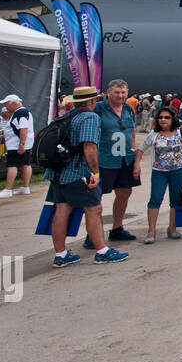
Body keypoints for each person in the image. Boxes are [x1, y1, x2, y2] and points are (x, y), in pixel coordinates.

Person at [45, 87, 129, 267]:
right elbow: (89, 147)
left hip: (57, 171)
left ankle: (60, 255)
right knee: (93, 209)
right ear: (92, 101)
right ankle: (102, 251)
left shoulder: (65, 116)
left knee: (62, 210)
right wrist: (95, 172)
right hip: (77, 172)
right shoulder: (89, 117)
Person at [85, 79, 140, 249]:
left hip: (124, 158)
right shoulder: (99, 109)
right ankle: (92, 234)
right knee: (96, 198)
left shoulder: (129, 109)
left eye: (123, 92)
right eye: (117, 92)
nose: (120, 95)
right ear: (108, 93)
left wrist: (132, 151)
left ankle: (117, 227)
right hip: (104, 159)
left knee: (124, 192)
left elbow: (131, 131)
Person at [133, 106, 182, 243]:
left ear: (173, 118)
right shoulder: (154, 134)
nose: (163, 120)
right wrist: (136, 165)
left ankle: (172, 228)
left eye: (167, 117)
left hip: (178, 170)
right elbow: (140, 149)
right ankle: (151, 231)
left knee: (175, 200)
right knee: (155, 199)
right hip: (159, 172)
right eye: (160, 117)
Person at [0, 94, 35, 199]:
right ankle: (25, 187)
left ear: (13, 103)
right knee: (25, 164)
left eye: (6, 104)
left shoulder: (20, 113)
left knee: (12, 165)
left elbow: (23, 129)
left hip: (16, 144)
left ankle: (8, 189)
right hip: (24, 143)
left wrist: (21, 144)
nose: (6, 107)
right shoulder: (24, 112)